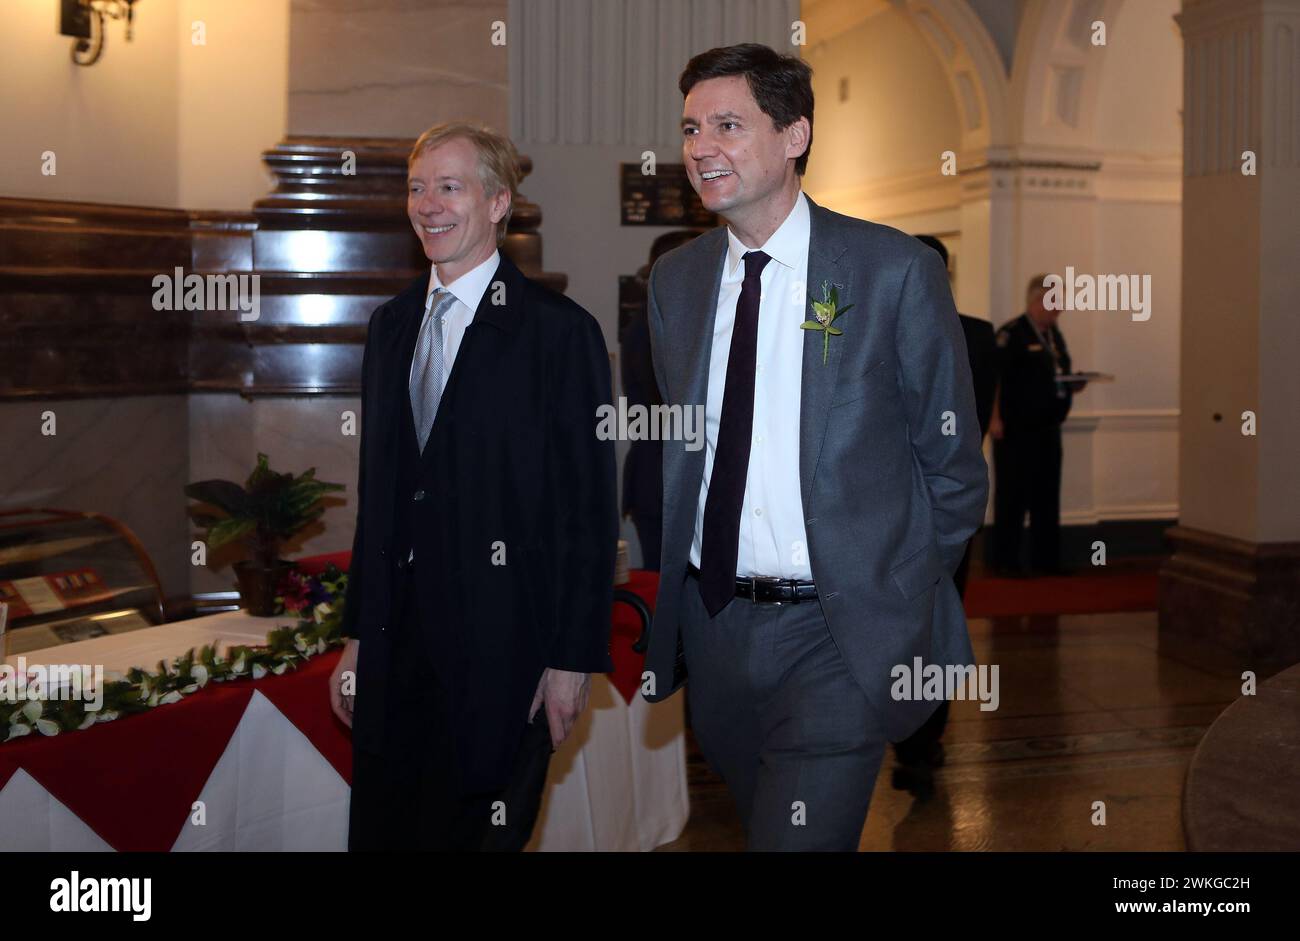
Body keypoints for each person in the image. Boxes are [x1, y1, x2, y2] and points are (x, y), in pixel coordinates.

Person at [640, 43, 988, 850]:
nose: (700, 148)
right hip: (715, 618)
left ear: (794, 135)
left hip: (839, 631)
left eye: (728, 124)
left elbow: (954, 464)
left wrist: (891, 580)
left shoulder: (890, 270)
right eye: (692, 128)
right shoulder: (677, 281)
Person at [328, 122, 617, 851]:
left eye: (448, 186)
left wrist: (573, 658)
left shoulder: (560, 334)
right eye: (417, 187)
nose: (428, 204)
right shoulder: (389, 327)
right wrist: (358, 638)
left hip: (506, 658)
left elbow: (588, 511)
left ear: (497, 203)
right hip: (396, 657)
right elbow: (380, 494)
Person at [890, 234, 997, 796]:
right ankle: (924, 742)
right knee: (939, 620)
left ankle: (911, 737)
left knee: (906, 622)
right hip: (952, 499)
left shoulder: (889, 328)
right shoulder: (979, 333)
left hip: (909, 502)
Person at [991, 275, 1086, 577]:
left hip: (1048, 429)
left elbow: (1057, 373)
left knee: (1047, 496)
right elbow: (996, 380)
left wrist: (1073, 384)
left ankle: (1047, 562)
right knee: (1013, 496)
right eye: (1054, 301)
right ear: (1035, 301)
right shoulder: (1011, 333)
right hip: (1016, 430)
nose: (1060, 308)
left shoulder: (1055, 335)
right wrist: (994, 419)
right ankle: (1006, 562)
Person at [620, 229, 703, 571]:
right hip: (662, 480)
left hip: (659, 478)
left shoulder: (655, 321)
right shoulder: (655, 327)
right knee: (668, 597)